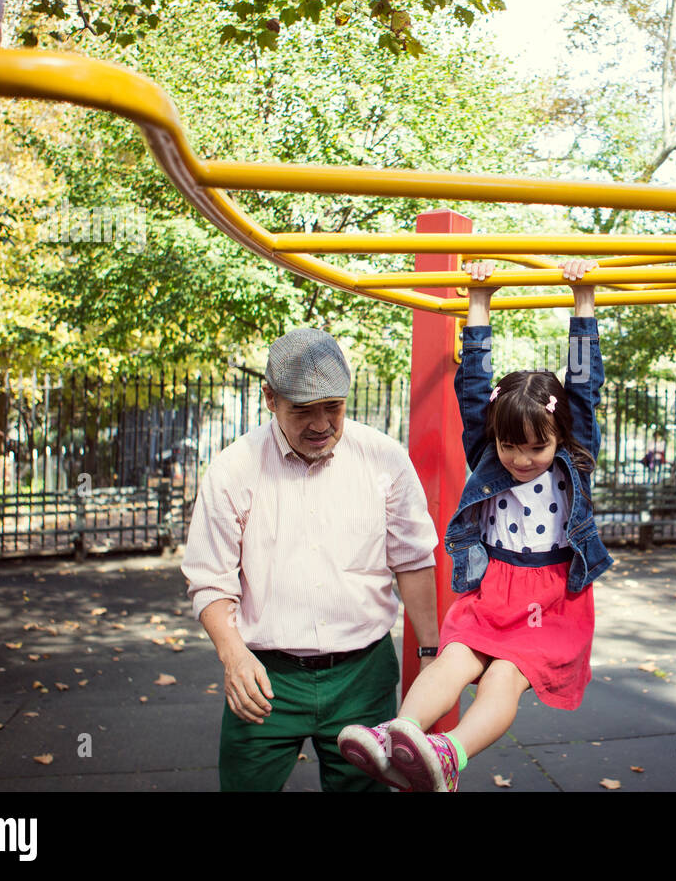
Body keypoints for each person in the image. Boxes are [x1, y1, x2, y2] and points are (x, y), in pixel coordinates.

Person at [337, 258, 612, 792]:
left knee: (504, 676)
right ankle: (398, 734)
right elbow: (474, 388)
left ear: (560, 439)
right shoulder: (486, 453)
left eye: (537, 447)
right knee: (452, 658)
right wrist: (479, 301)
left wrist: (584, 301)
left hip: (549, 600)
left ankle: (451, 753)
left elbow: (585, 387)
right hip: (492, 589)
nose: (522, 459)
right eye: (511, 446)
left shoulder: (574, 458)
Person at [181, 328, 442, 792]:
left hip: (364, 675)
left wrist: (430, 654)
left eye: (334, 407)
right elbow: (209, 580)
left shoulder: (384, 459)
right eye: (303, 410)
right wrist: (233, 654)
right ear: (269, 398)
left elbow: (414, 560)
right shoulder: (233, 470)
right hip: (265, 674)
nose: (321, 424)